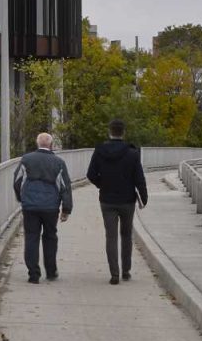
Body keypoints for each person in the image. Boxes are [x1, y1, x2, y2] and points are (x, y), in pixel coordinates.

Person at [86, 117, 149, 285]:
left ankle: (114, 274)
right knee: (126, 235)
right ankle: (126, 271)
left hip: (107, 200)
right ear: (123, 132)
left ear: (110, 132)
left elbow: (91, 174)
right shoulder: (132, 153)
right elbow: (139, 178)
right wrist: (144, 197)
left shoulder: (100, 151)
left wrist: (102, 185)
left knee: (111, 236)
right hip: (127, 200)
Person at [11, 132, 73, 283]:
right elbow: (65, 187)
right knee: (50, 237)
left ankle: (33, 274)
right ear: (51, 145)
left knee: (31, 237)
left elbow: (17, 180)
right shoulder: (58, 162)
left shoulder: (26, 160)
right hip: (50, 207)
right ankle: (51, 271)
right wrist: (66, 209)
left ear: (37, 143)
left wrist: (21, 198)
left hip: (30, 206)